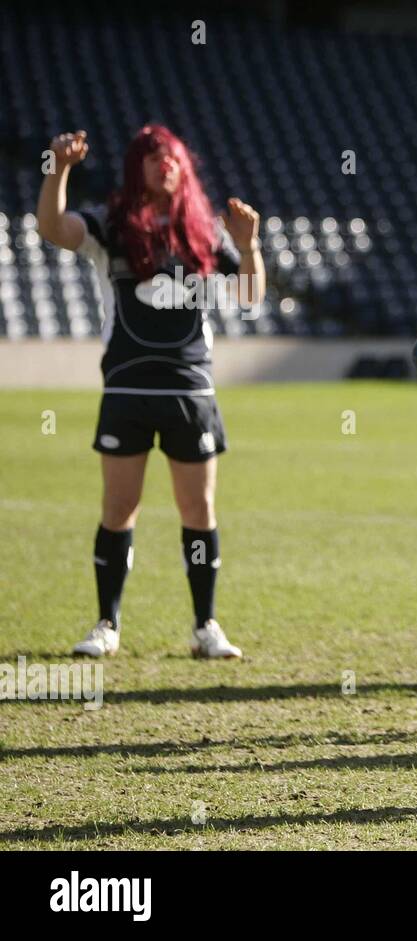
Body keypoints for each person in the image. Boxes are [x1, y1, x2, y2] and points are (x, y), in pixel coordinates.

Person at [36, 126, 264, 659]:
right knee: (119, 508)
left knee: (199, 508)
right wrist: (57, 169)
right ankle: (106, 624)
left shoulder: (203, 234)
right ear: (136, 166)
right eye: (153, 157)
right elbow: (51, 227)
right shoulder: (111, 227)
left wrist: (248, 246)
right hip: (128, 389)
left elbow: (251, 296)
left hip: (192, 390)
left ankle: (206, 626)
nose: (164, 164)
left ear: (185, 167)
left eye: (173, 157)